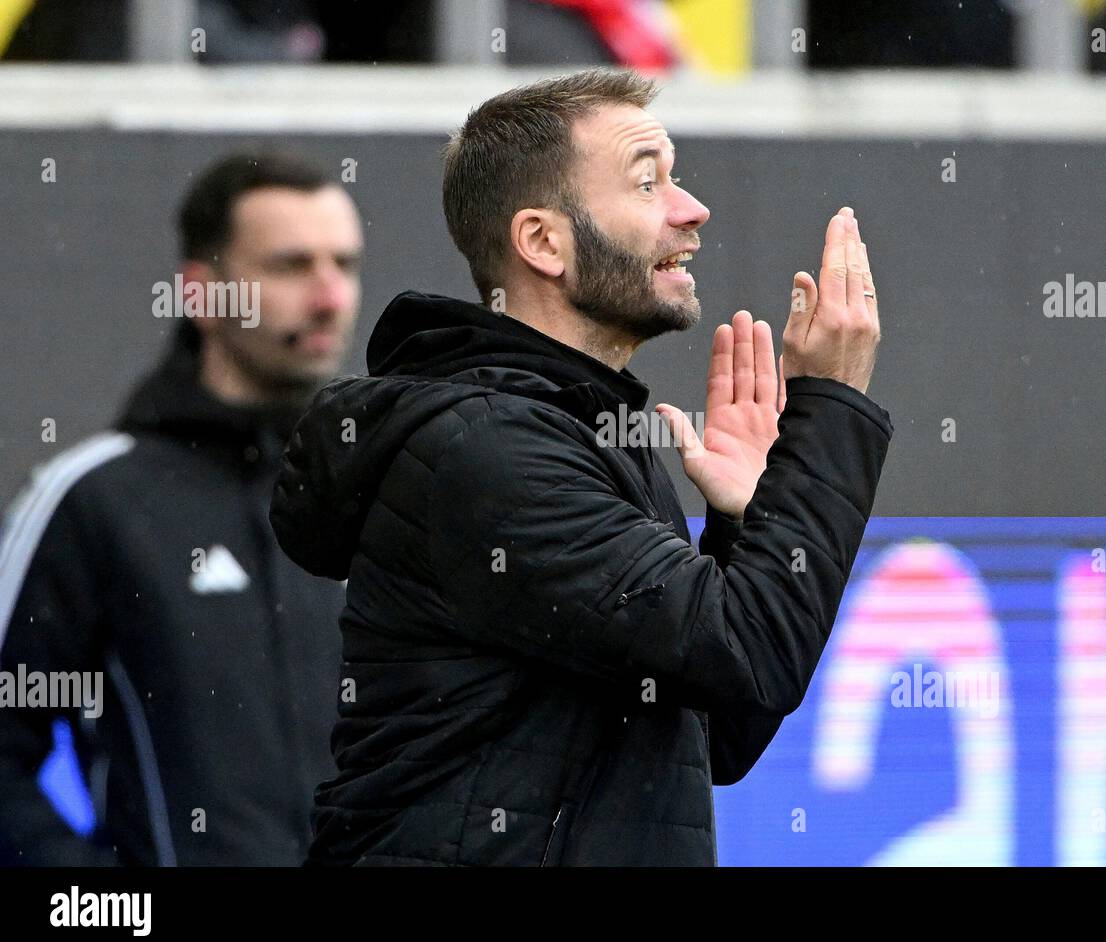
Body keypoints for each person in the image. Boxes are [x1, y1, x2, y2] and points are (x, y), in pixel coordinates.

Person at [270, 68, 891, 866]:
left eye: (677, 176)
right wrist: (830, 409)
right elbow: (748, 655)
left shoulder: (566, 430)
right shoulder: (488, 448)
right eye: (647, 182)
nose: (691, 208)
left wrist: (743, 521)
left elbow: (718, 729)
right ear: (542, 242)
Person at [0, 152, 364, 865]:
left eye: (344, 265)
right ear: (201, 295)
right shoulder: (91, 498)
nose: (329, 297)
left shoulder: (388, 488)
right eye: (292, 266)